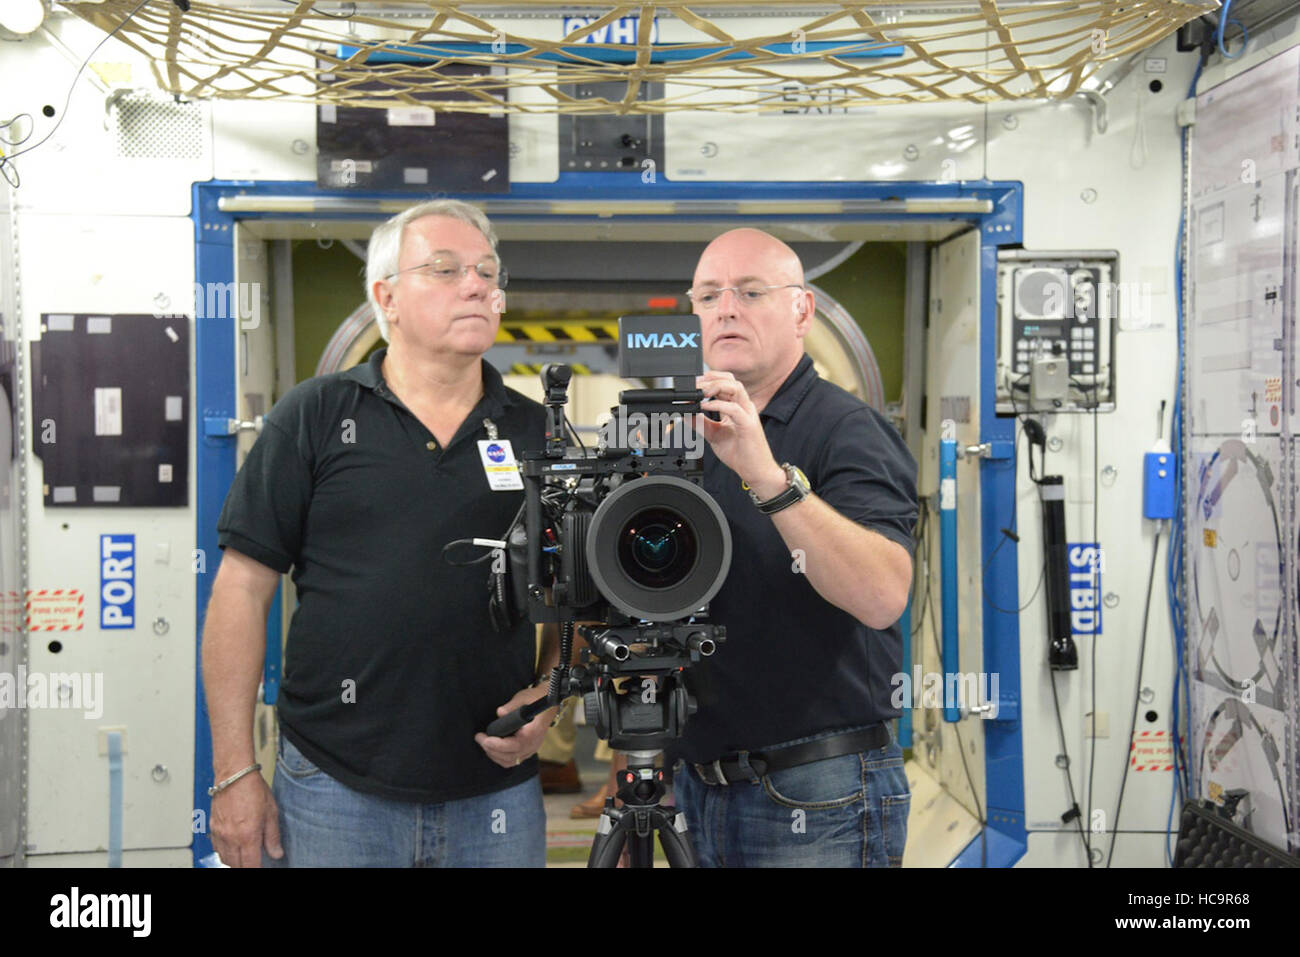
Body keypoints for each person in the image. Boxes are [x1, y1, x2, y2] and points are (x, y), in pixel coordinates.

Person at [202, 199, 557, 868]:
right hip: (336, 789)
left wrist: (552, 695)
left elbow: (578, 603)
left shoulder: (536, 433)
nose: (478, 284)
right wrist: (234, 772)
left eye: (487, 270)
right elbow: (241, 593)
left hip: (496, 795)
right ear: (386, 297)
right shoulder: (313, 416)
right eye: (445, 269)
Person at [671, 227, 918, 867]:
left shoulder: (845, 430)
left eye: (750, 292)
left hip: (818, 792)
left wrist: (768, 478)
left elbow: (883, 595)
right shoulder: (687, 436)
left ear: (802, 310)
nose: (726, 307)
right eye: (708, 295)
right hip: (698, 788)